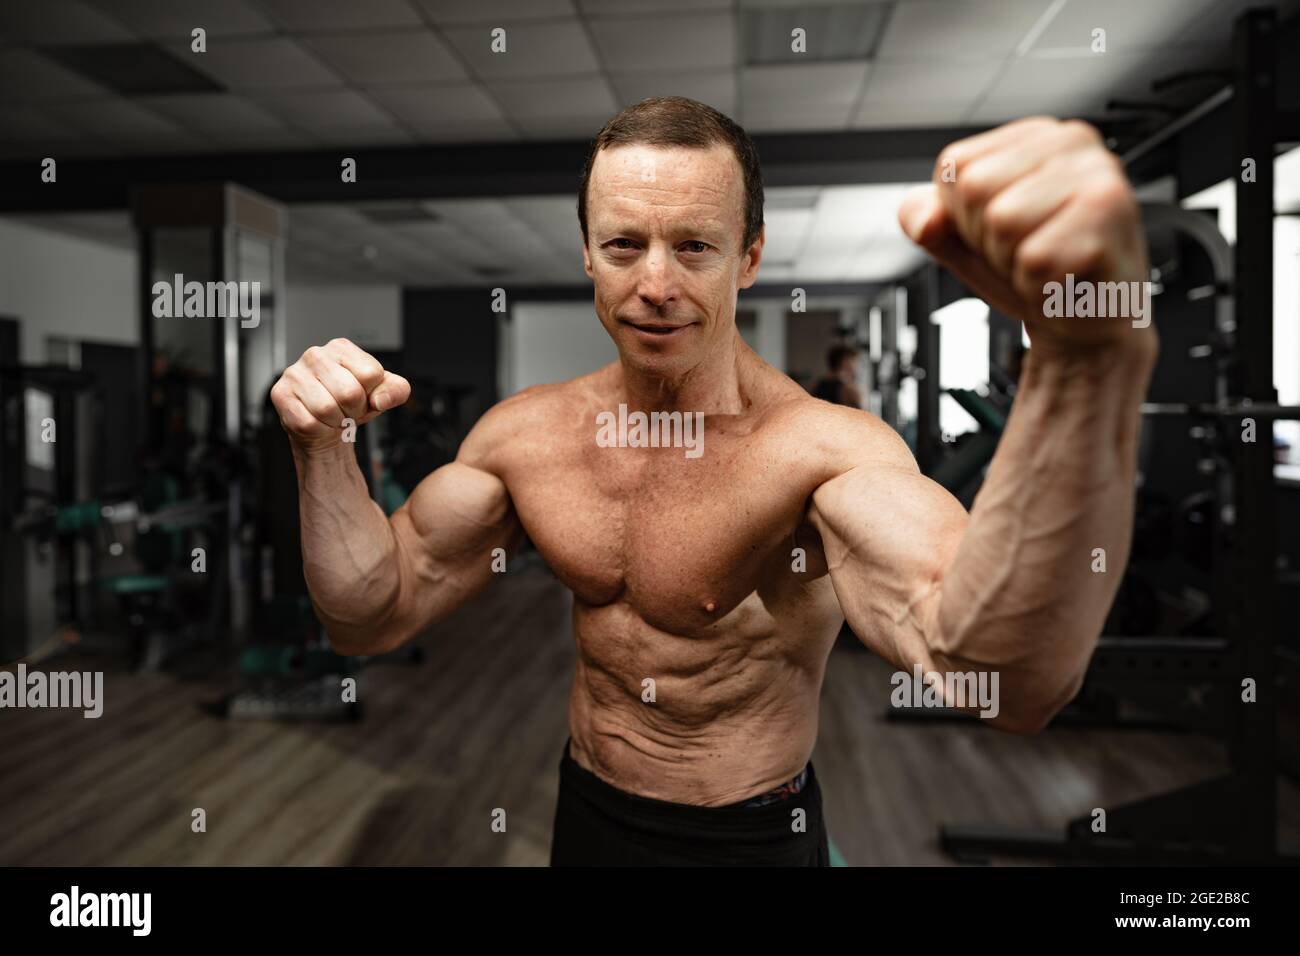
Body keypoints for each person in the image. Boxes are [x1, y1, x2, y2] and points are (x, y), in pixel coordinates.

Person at [270, 97, 1158, 866]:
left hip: (749, 840)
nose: (655, 283)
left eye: (695, 245)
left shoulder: (823, 453)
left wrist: (1085, 361)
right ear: (586, 253)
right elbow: (368, 614)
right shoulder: (524, 436)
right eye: (624, 244)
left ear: (750, 257)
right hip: (586, 812)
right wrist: (322, 445)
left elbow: (1000, 677)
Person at [811, 344, 863, 408]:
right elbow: (862, 415)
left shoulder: (818, 384)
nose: (857, 365)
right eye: (854, 361)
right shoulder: (848, 389)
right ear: (845, 362)